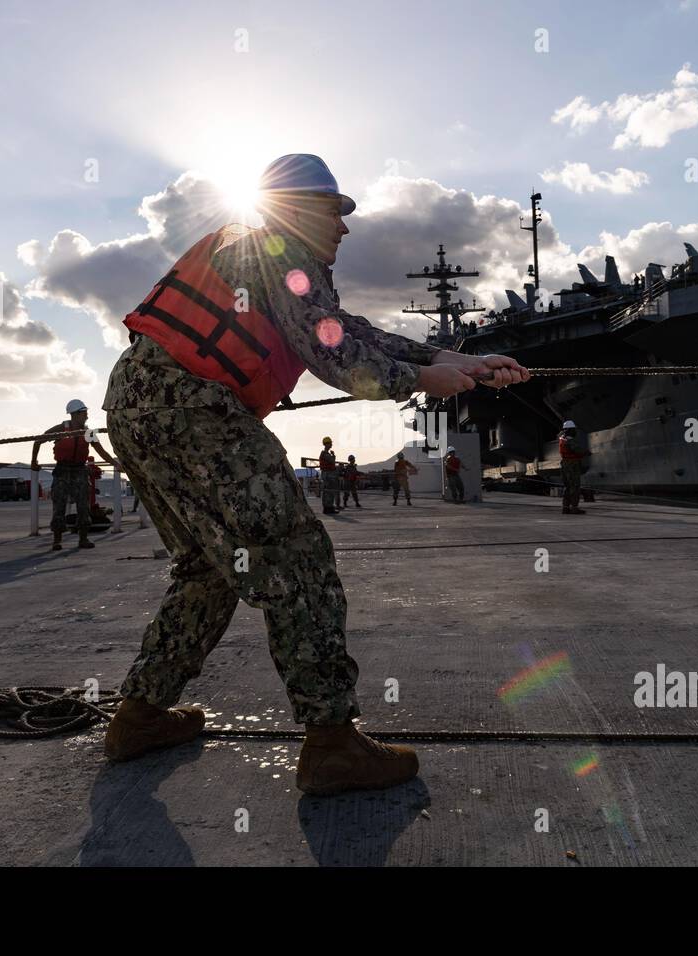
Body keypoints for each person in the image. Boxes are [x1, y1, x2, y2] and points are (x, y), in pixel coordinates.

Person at [101, 152, 529, 795]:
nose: (346, 229)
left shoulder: (257, 250)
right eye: (336, 212)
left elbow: (343, 326)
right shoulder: (286, 251)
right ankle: (331, 743)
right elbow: (332, 352)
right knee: (296, 558)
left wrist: (449, 355)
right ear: (301, 209)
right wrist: (418, 380)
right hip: (196, 410)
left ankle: (138, 715)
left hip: (137, 405)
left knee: (209, 569)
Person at [30, 400, 120, 550]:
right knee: (59, 505)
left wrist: (115, 464)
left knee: (83, 505)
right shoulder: (60, 429)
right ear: (75, 414)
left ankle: (83, 539)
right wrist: (34, 461)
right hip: (62, 470)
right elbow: (38, 441)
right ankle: (57, 540)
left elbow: (101, 451)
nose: (86, 415)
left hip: (80, 470)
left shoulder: (88, 433)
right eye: (84, 412)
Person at [559, 420, 589, 515]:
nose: (575, 431)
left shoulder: (562, 438)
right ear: (569, 430)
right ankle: (574, 508)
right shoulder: (569, 440)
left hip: (565, 464)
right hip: (572, 464)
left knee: (567, 486)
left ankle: (566, 507)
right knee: (575, 486)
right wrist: (586, 452)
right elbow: (577, 450)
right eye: (573, 429)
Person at [318, 436, 339, 514]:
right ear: (326, 444)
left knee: (329, 492)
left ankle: (329, 507)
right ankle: (327, 508)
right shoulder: (325, 454)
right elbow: (332, 461)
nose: (331, 445)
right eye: (330, 443)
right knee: (328, 492)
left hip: (328, 474)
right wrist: (333, 455)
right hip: (327, 474)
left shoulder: (326, 454)